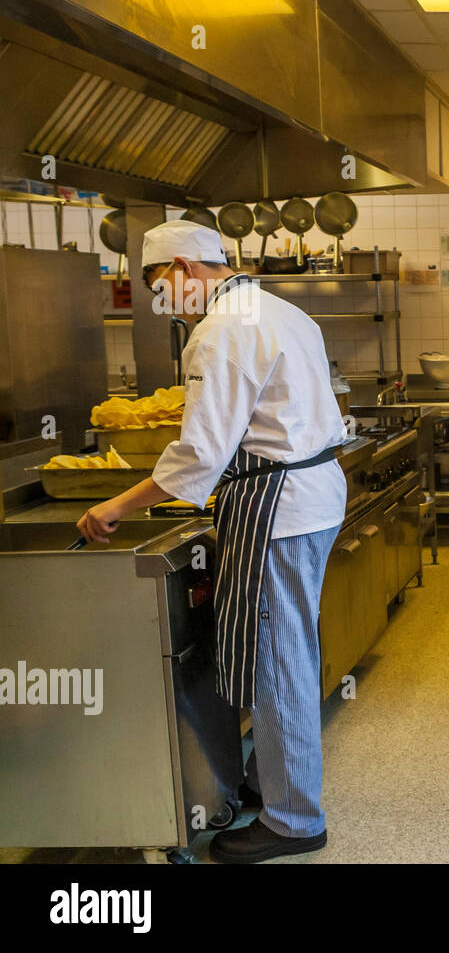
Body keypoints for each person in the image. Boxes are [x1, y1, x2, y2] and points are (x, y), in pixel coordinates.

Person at [77, 219, 346, 863]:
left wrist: (115, 503)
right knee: (288, 654)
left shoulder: (221, 331)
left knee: (278, 664)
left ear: (189, 269)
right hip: (311, 496)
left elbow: (198, 457)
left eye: (157, 283)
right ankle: (279, 782)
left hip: (278, 507)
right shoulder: (278, 309)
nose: (157, 298)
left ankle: (293, 821)